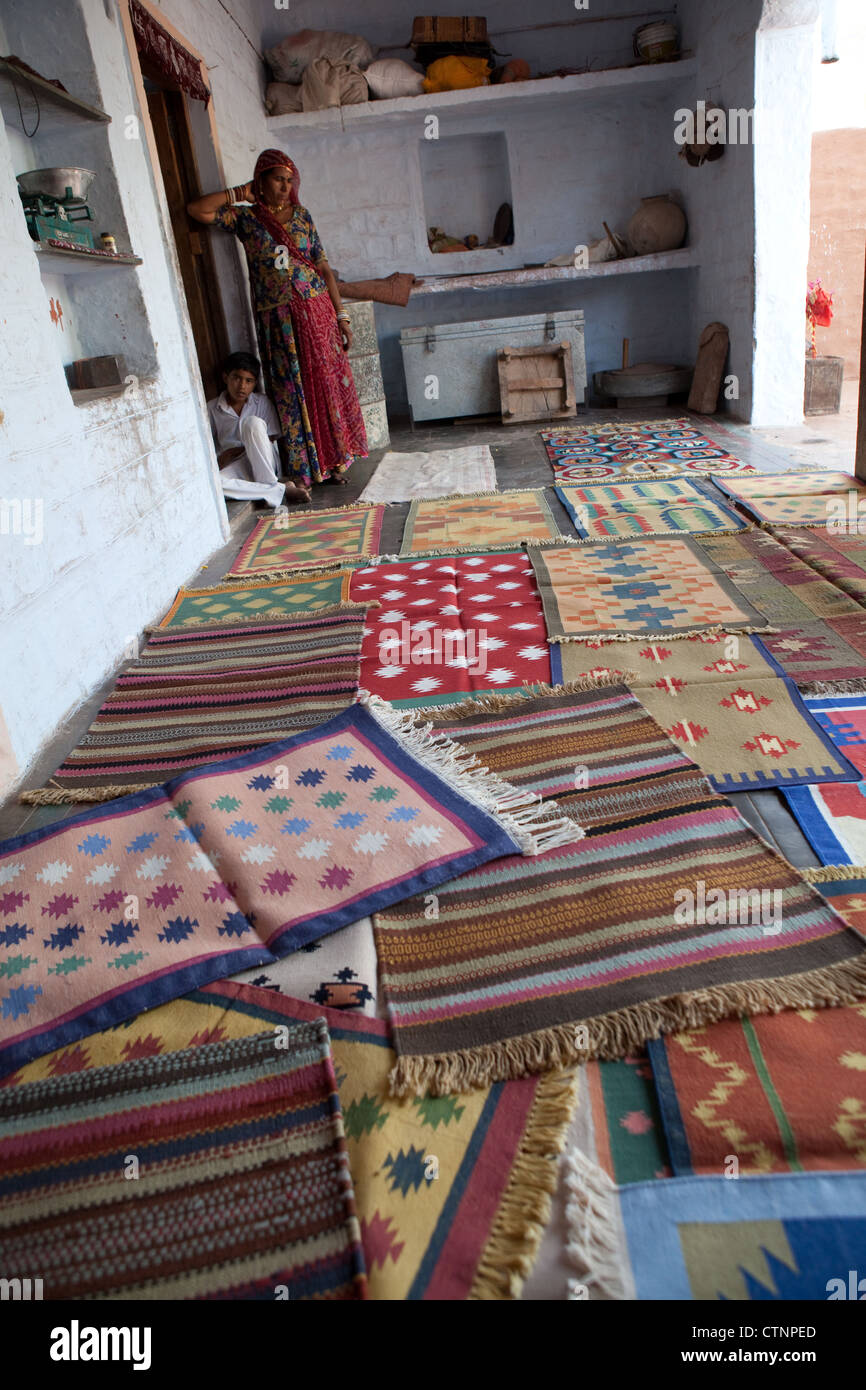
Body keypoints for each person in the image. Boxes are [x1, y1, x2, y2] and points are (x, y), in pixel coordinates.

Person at [188, 150, 368, 489]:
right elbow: (197, 210)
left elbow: (324, 268)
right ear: (262, 180)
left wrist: (341, 315)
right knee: (290, 389)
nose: (285, 187)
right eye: (277, 179)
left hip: (315, 311)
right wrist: (238, 194)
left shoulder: (302, 216)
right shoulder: (247, 219)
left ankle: (334, 460)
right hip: (276, 320)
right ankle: (305, 469)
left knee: (324, 384)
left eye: (289, 181)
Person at [207, 351, 309, 508]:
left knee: (252, 423)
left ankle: (268, 486)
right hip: (237, 465)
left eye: (249, 381)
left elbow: (271, 438)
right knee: (214, 484)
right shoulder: (212, 408)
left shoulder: (261, 402)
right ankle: (280, 489)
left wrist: (241, 449)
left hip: (263, 460)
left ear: (254, 383)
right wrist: (222, 457)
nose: (242, 386)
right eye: (236, 378)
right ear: (226, 377)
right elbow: (207, 445)